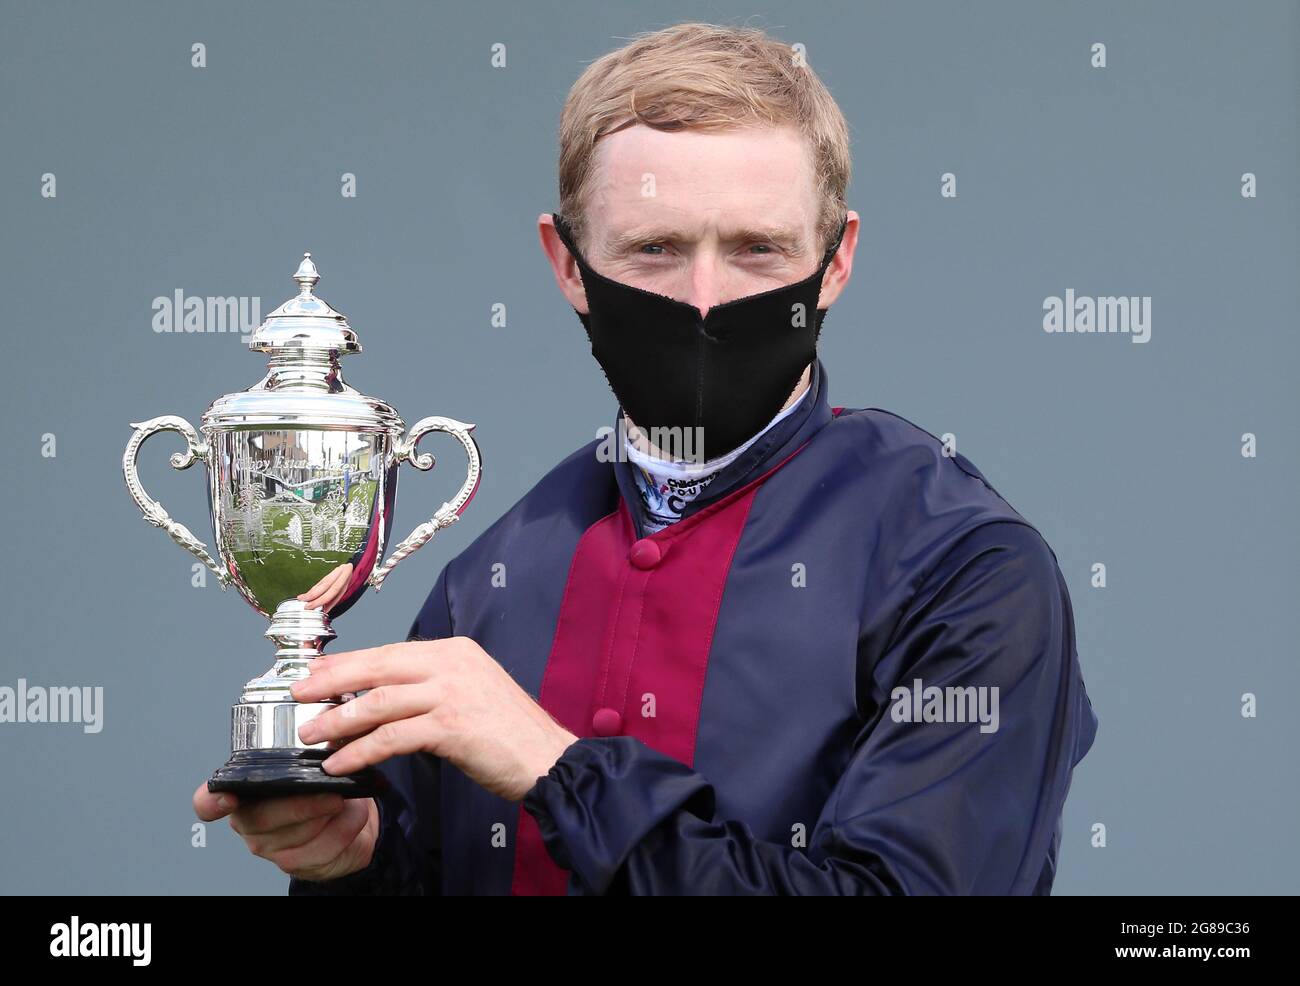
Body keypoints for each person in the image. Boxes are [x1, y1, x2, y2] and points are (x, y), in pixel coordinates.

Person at [192, 21, 1097, 895]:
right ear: (568, 265)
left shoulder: (964, 569)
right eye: (656, 249)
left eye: (757, 249)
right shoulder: (491, 578)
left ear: (836, 262)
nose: (705, 300)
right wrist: (361, 864)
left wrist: (559, 771)